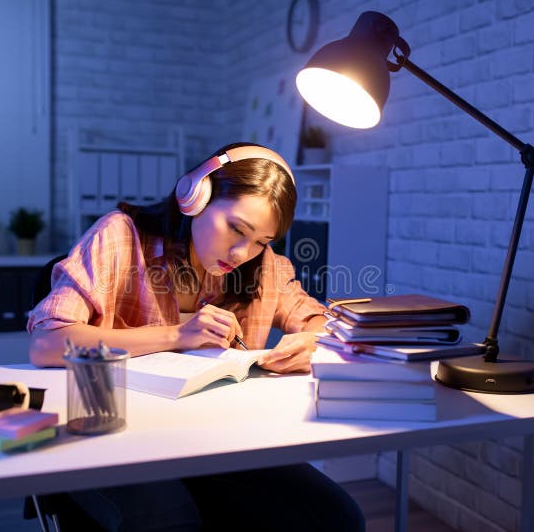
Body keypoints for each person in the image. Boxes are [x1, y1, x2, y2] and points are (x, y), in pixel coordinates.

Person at [27, 142, 365, 531]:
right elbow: (47, 343)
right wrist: (175, 334)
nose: (242, 253)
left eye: (261, 241)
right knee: (172, 522)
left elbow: (322, 320)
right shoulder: (120, 237)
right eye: (236, 229)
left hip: (214, 439)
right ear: (195, 197)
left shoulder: (264, 268)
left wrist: (312, 342)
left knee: (338, 517)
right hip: (114, 438)